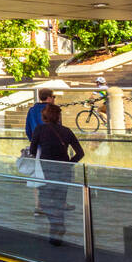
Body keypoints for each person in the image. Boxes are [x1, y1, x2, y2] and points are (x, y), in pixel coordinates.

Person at [29, 103, 85, 246]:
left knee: (45, 201)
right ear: (58, 116)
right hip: (64, 171)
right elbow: (80, 153)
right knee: (59, 202)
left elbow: (33, 150)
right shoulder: (67, 131)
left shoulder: (39, 129)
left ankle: (56, 227)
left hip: (47, 171)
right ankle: (57, 228)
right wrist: (68, 164)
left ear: (44, 116)